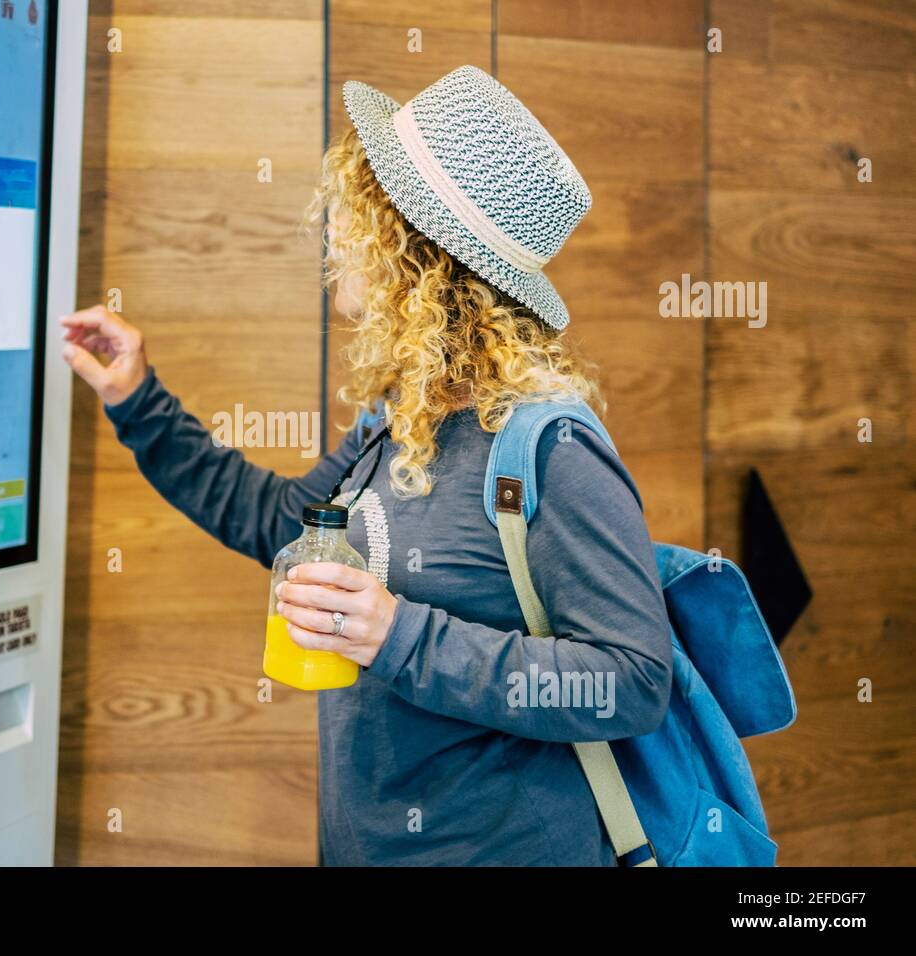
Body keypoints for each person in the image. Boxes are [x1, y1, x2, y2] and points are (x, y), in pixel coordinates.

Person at [59, 65, 673, 865]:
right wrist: (139, 399)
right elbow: (282, 525)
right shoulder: (403, 415)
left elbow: (630, 682)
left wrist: (399, 635)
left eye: (360, 211)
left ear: (417, 251)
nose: (337, 230)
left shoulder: (550, 446)